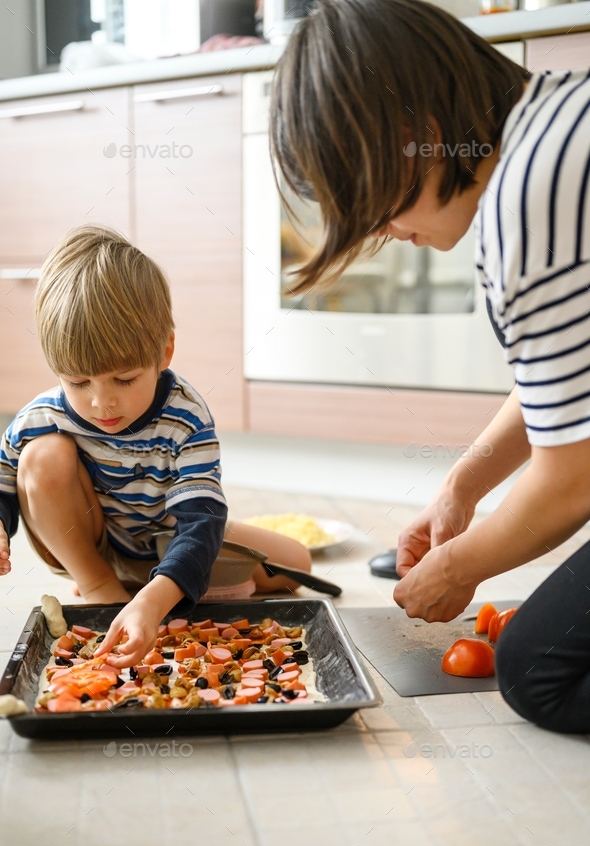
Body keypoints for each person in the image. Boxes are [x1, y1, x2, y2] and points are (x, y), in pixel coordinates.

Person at [270, 0, 590, 733]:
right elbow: (569, 384)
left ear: (421, 136)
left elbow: (573, 475)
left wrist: (461, 565)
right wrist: (462, 486)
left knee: (538, 668)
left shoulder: (525, 200)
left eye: (369, 198)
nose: (382, 231)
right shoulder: (557, 123)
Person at [0, 226, 311, 667]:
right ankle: (99, 585)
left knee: (295, 564)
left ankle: (161, 584)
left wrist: (157, 596)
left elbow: (201, 520)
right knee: (41, 456)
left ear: (164, 352)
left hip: (171, 538)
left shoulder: (187, 417)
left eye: (124, 379)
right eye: (78, 382)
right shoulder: (42, 415)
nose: (101, 401)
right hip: (95, 543)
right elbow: (4, 479)